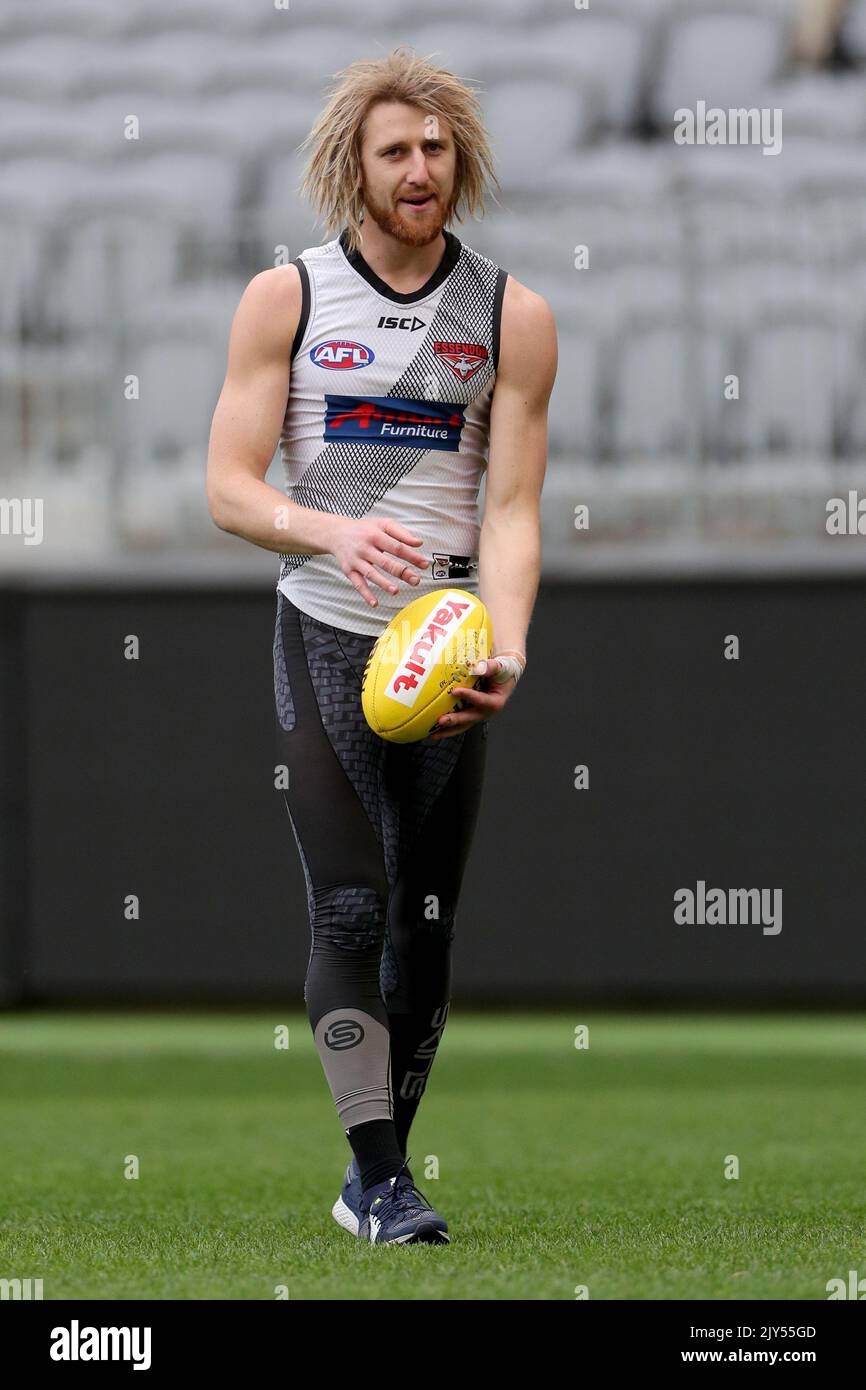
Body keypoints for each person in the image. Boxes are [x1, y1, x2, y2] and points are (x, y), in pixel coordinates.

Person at [206, 47, 557, 1245]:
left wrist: (503, 648)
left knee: (428, 922)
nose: (418, 169)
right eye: (393, 150)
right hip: (323, 634)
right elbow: (226, 489)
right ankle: (378, 1170)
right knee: (350, 909)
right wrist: (333, 533)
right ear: (351, 168)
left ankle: (377, 1176)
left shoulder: (509, 313)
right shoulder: (288, 296)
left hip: (447, 653)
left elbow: (509, 510)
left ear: (461, 161)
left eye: (436, 148)